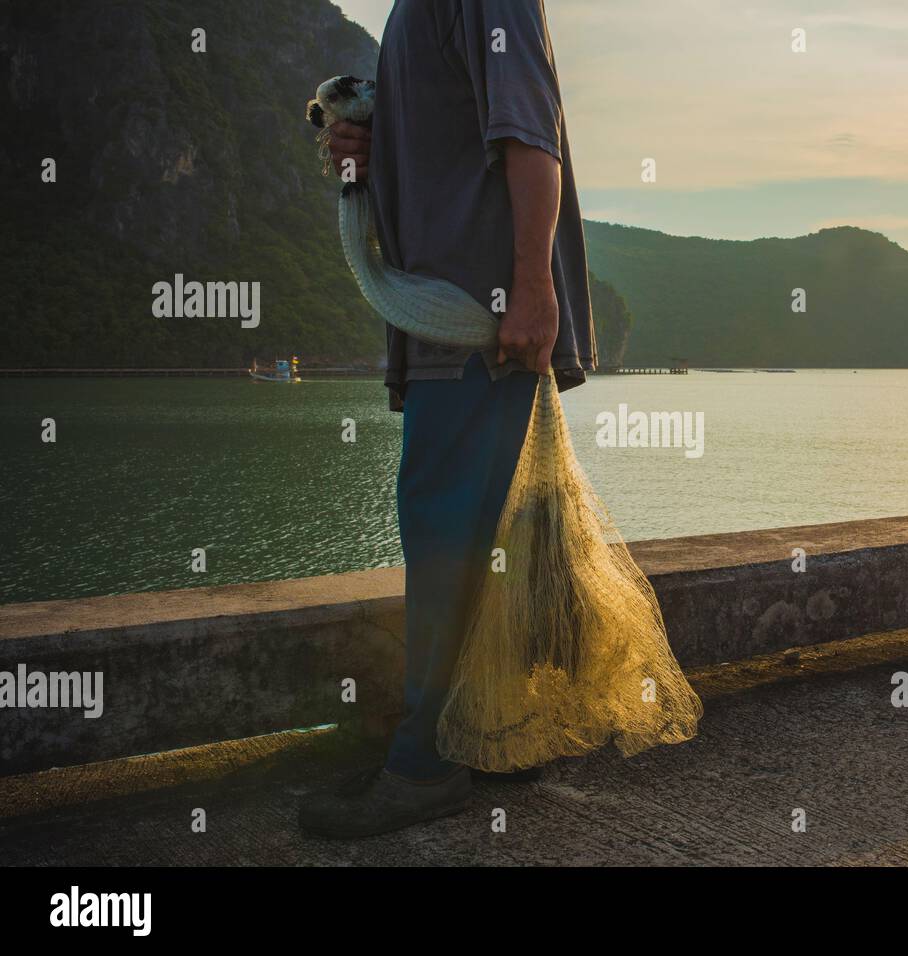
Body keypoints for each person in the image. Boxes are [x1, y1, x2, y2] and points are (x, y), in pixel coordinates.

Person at [299, 0, 596, 839]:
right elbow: (429, 156)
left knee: (445, 537)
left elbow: (529, 136)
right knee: (484, 541)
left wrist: (533, 291)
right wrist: (361, 151)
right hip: (444, 321)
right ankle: (484, 736)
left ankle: (425, 766)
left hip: (483, 324)